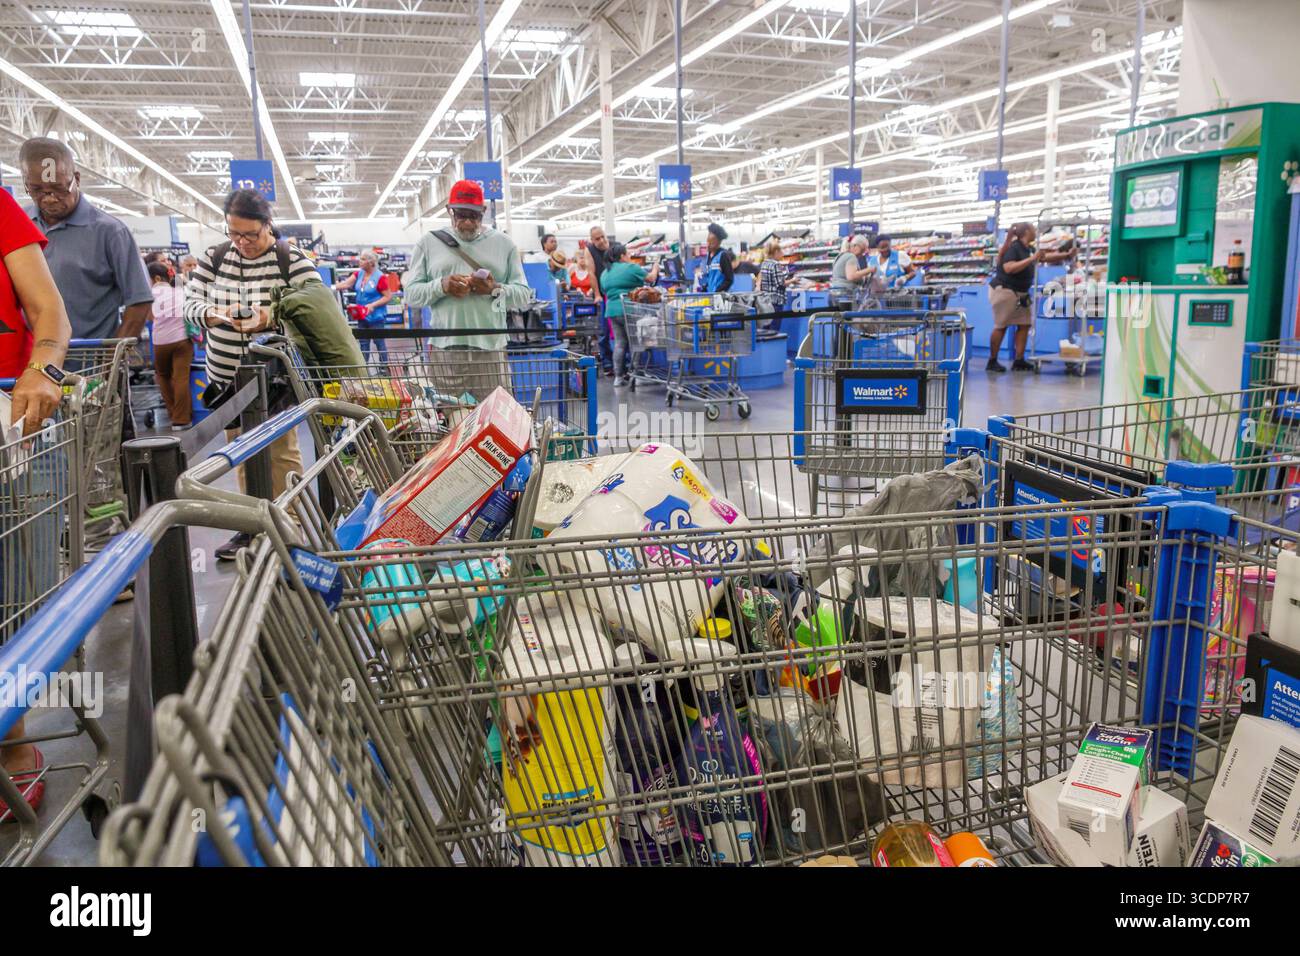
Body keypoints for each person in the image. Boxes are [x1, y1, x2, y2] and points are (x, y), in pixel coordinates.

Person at [184, 188, 320, 559]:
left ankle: (288, 523)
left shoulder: (289, 259)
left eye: (251, 235)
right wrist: (218, 314)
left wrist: (268, 316)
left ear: (267, 226)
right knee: (240, 452)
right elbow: (191, 302)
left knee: (280, 452)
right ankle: (252, 526)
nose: (242, 242)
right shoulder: (215, 256)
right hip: (227, 376)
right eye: (235, 234)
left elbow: (316, 305)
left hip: (275, 375)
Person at [0, 186, 73, 817]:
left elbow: (50, 311)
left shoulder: (0, 208)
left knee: (14, 589)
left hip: (13, 423)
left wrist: (43, 367)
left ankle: (12, 738)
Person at [403, 179, 533, 399]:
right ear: (449, 211)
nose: (467, 223)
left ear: (483, 212)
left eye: (474, 216)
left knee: (495, 420)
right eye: (460, 215)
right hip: (446, 350)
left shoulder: (504, 244)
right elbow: (411, 295)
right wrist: (441, 286)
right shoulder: (428, 243)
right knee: (446, 420)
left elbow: (523, 296)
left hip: (491, 348)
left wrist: (494, 289)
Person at [19, 139, 153, 343]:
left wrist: (110, 361)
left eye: (59, 188)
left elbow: (139, 301)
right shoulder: (18, 225)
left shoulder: (111, 232)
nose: (49, 198)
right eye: (37, 190)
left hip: (88, 363)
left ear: (77, 179)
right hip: (29, 363)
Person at [986, 222, 1075, 372]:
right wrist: (1032, 259)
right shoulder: (1014, 248)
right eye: (1033, 229)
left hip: (1021, 293)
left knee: (1024, 324)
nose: (1036, 231)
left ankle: (1019, 360)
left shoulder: (1028, 249)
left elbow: (1044, 258)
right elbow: (1009, 268)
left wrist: (1066, 255)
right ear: (1026, 232)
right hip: (1005, 291)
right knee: (1001, 326)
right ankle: (992, 361)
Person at [599, 242, 660, 387]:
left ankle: (618, 377)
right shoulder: (631, 267)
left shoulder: (604, 272)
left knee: (620, 343)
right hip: (629, 309)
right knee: (635, 342)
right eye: (627, 254)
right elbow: (651, 279)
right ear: (622, 256)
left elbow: (604, 291)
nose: (629, 257)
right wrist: (656, 267)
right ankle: (636, 375)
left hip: (612, 310)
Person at [146, 261, 193, 431]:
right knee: (181, 378)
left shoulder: (150, 294)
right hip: (182, 339)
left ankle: (173, 414)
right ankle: (183, 419)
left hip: (160, 342)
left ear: (156, 278)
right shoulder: (180, 289)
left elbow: (150, 318)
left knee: (163, 376)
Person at [332, 250, 395, 364]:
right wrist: (329, 287)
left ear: (371, 262)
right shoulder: (359, 273)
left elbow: (388, 297)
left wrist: (373, 305)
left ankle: (384, 368)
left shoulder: (380, 277)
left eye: (363, 259)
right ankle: (363, 369)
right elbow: (346, 284)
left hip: (376, 317)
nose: (359, 261)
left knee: (379, 342)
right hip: (362, 316)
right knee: (363, 343)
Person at [587, 226, 613, 374]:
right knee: (604, 330)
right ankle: (607, 363)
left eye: (603, 236)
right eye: (597, 239)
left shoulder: (615, 247)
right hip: (603, 295)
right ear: (592, 240)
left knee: (621, 331)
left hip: (615, 294)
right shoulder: (590, 250)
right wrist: (597, 294)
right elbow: (591, 273)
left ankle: (624, 364)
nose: (601, 240)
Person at [830, 234, 872, 305]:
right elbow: (851, 276)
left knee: (837, 316)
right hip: (845, 295)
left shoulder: (840, 256)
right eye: (862, 250)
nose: (862, 254)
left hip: (834, 294)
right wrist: (869, 270)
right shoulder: (851, 256)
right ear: (855, 246)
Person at [696, 223, 734, 293]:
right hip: (711, 296)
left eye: (711, 243)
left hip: (721, 298)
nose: (708, 245)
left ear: (718, 243)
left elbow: (729, 280)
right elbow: (711, 278)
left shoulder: (723, 255)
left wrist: (717, 291)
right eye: (708, 242)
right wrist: (705, 288)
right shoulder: (708, 256)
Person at [757, 237, 789, 319]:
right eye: (781, 251)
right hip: (776, 301)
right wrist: (793, 280)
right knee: (775, 327)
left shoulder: (764, 263)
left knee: (767, 326)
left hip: (766, 300)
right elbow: (780, 284)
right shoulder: (776, 264)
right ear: (776, 252)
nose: (782, 254)